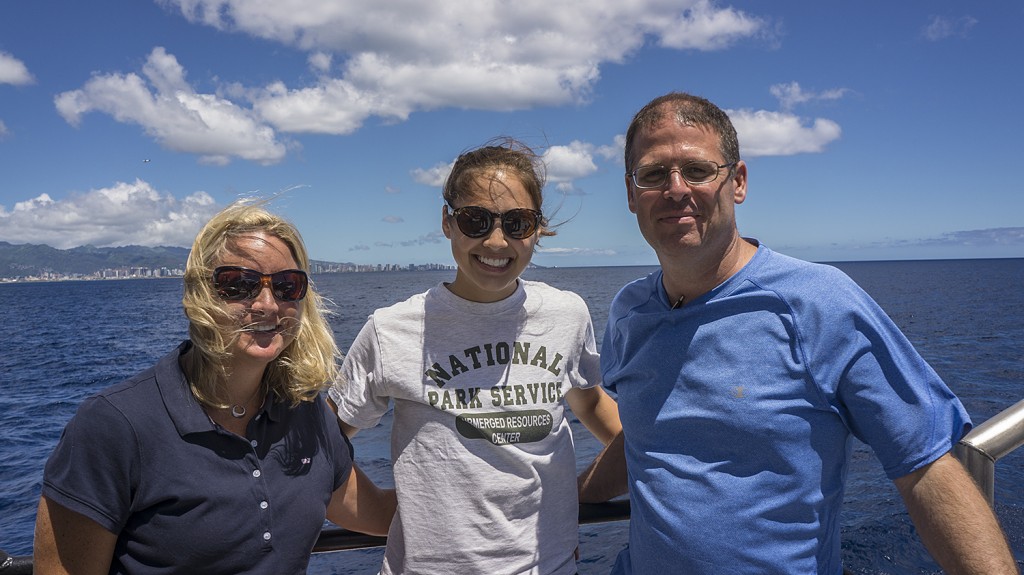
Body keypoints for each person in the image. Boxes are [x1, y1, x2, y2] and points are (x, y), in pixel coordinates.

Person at [578, 92, 1019, 574]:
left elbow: (925, 467)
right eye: (653, 174)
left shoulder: (820, 302)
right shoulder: (629, 312)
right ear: (630, 192)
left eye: (698, 170)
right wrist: (569, 500)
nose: (676, 189)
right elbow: (645, 436)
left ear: (738, 181)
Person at [33, 201, 396, 574]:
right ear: (199, 292)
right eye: (239, 284)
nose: (268, 305)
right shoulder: (115, 425)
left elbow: (380, 513)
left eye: (288, 286)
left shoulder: (305, 414)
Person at [328, 138, 622, 575]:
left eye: (517, 223)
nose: (496, 240)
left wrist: (581, 491)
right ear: (448, 222)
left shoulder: (567, 314)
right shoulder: (391, 329)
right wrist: (388, 514)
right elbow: (319, 447)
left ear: (537, 229)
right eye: (476, 220)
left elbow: (592, 403)